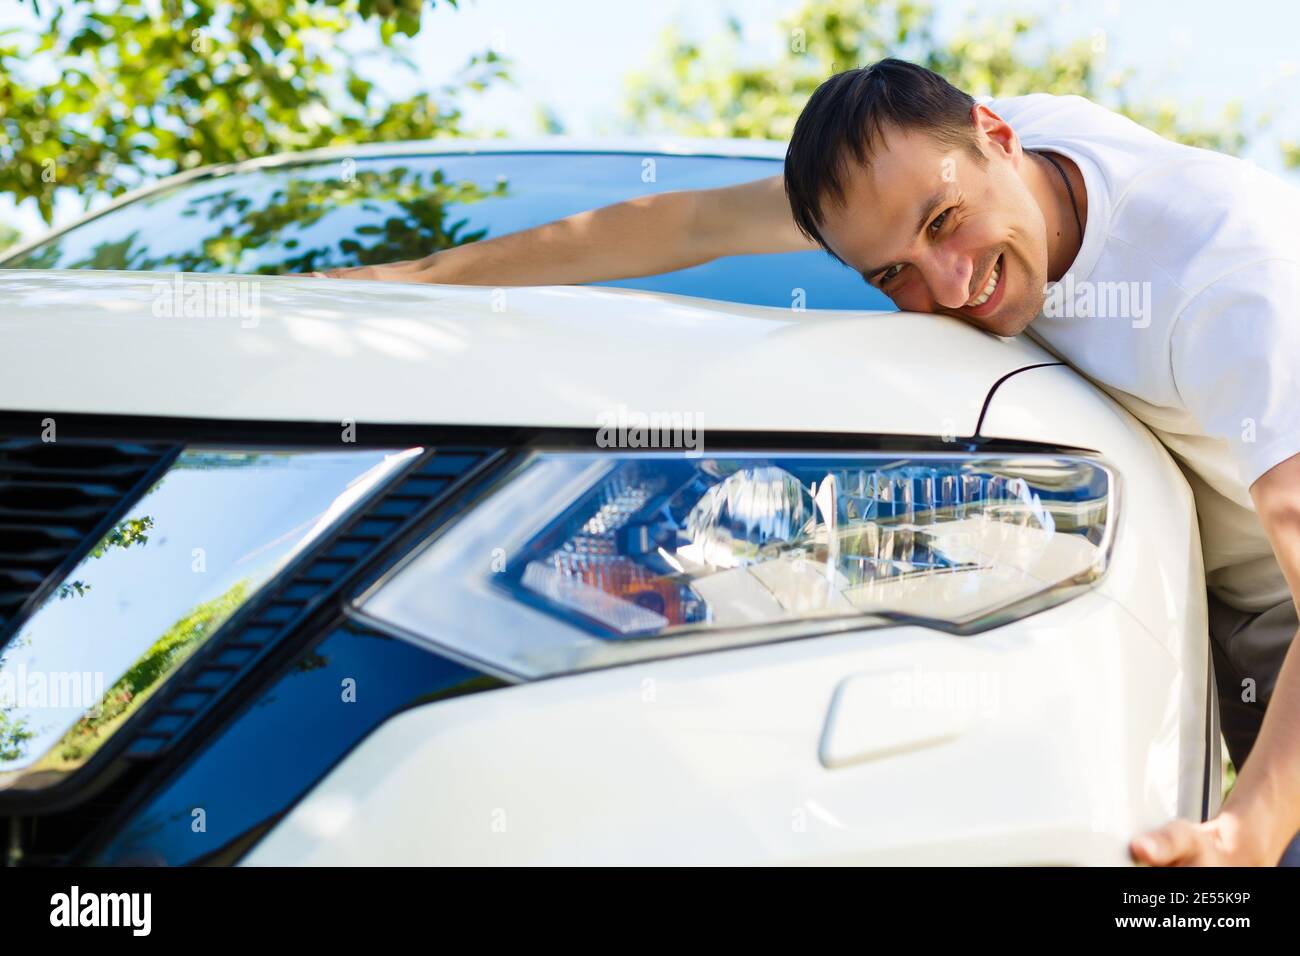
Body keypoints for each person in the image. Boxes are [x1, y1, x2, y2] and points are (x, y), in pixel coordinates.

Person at [315, 58, 1300, 866]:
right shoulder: (907, 175)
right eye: (892, 276)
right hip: (1212, 575)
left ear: (999, 133)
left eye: (943, 226)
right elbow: (684, 225)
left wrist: (1250, 829)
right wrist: (416, 283)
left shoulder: (1226, 274)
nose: (949, 284)